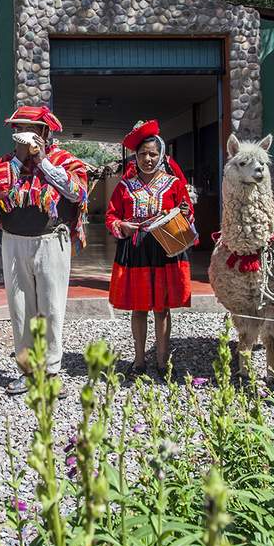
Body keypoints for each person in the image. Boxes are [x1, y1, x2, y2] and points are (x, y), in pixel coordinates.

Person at [0, 105, 88, 396]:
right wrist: (18, 160)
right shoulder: (4, 164)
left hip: (51, 240)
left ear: (44, 132)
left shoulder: (65, 161)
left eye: (27, 128)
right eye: (17, 129)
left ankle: (51, 370)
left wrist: (42, 162)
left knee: (51, 307)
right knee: (20, 308)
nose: (20, 134)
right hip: (14, 241)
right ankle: (28, 371)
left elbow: (77, 192)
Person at [106, 120, 196, 377]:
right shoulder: (124, 187)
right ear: (136, 155)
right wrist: (122, 225)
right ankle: (138, 360)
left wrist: (184, 214)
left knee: (162, 307)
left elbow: (188, 212)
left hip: (164, 250)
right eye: (143, 153)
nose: (147, 158)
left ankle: (161, 361)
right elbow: (111, 217)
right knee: (139, 307)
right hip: (135, 251)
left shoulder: (173, 184)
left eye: (153, 154)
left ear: (161, 156)